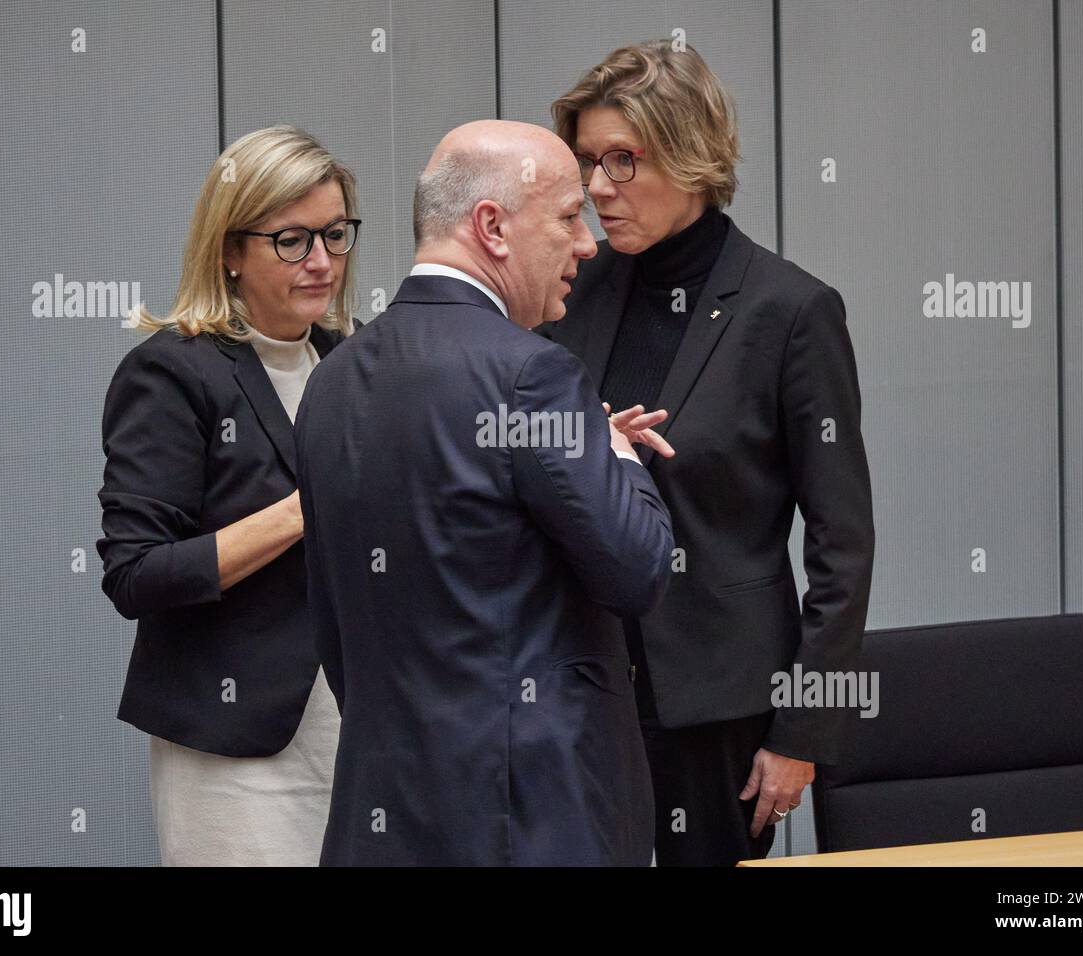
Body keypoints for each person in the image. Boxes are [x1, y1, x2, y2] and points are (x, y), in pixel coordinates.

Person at [294, 119, 676, 866]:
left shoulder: (331, 383)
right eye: (569, 216)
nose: (588, 243)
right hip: (532, 825)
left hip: (387, 819)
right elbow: (639, 569)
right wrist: (620, 456)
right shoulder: (534, 375)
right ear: (492, 227)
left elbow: (341, 631)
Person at [543, 40, 876, 865]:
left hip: (719, 707)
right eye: (588, 162)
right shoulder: (568, 289)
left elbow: (843, 546)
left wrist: (802, 732)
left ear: (692, 156)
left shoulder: (790, 312)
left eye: (624, 159)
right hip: (572, 687)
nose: (597, 189)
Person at [97, 125, 360, 865]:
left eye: (335, 236)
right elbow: (136, 574)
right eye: (292, 241)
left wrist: (570, 437)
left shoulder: (357, 360)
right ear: (229, 251)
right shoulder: (172, 372)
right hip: (235, 753)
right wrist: (303, 511)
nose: (321, 262)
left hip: (362, 738)